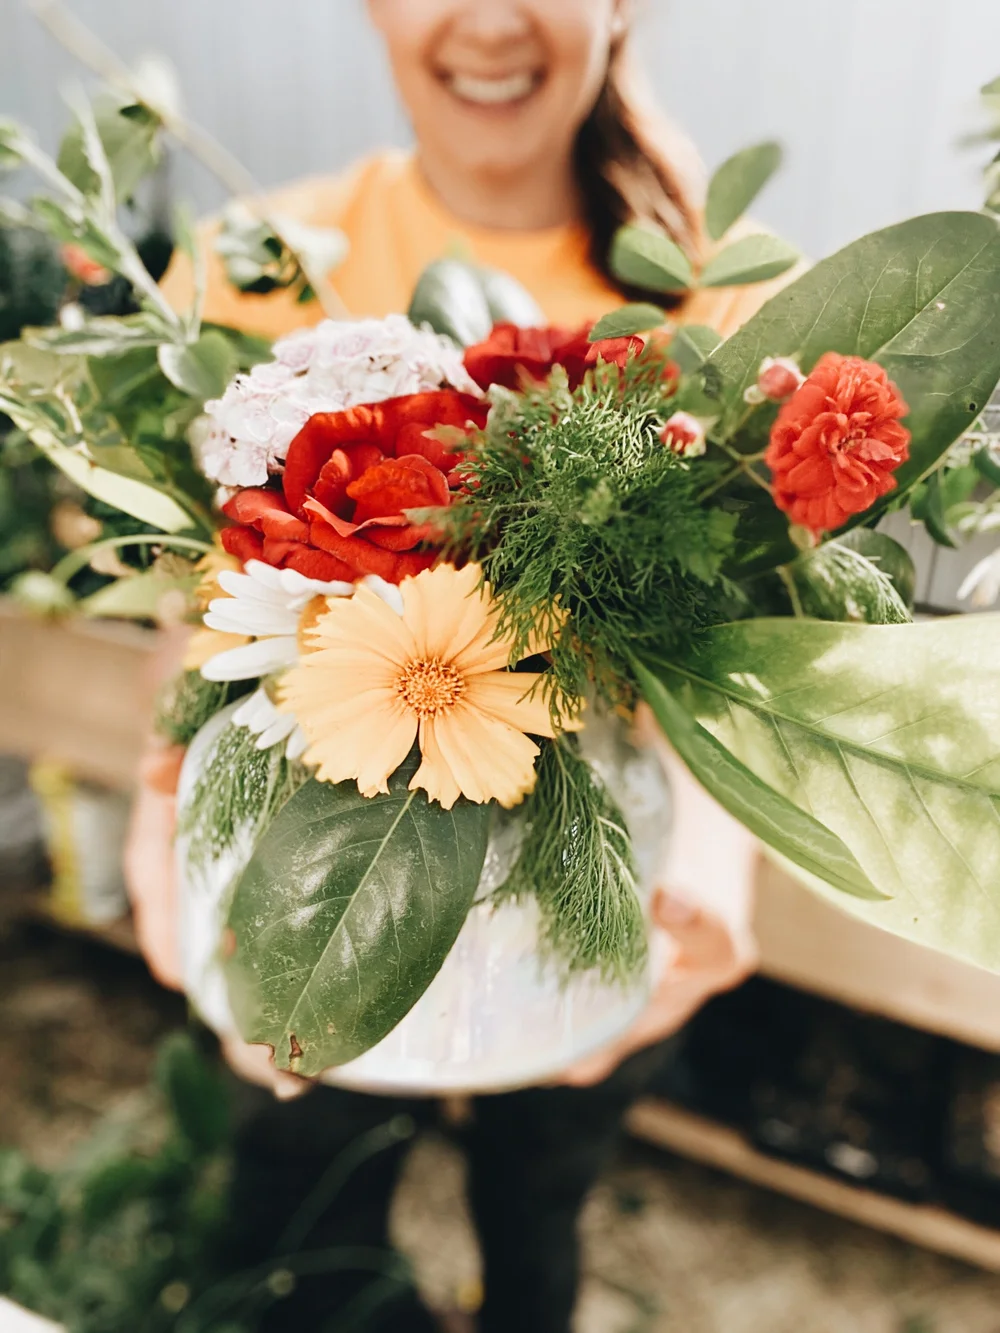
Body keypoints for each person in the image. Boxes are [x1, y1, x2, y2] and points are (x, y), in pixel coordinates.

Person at [135, 2, 786, 1328]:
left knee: (538, 1203)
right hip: (307, 885)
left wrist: (714, 862)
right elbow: (193, 598)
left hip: (584, 909)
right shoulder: (262, 259)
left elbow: (754, 643)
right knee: (297, 1224)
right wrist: (162, 832)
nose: (489, 20)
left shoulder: (717, 302)